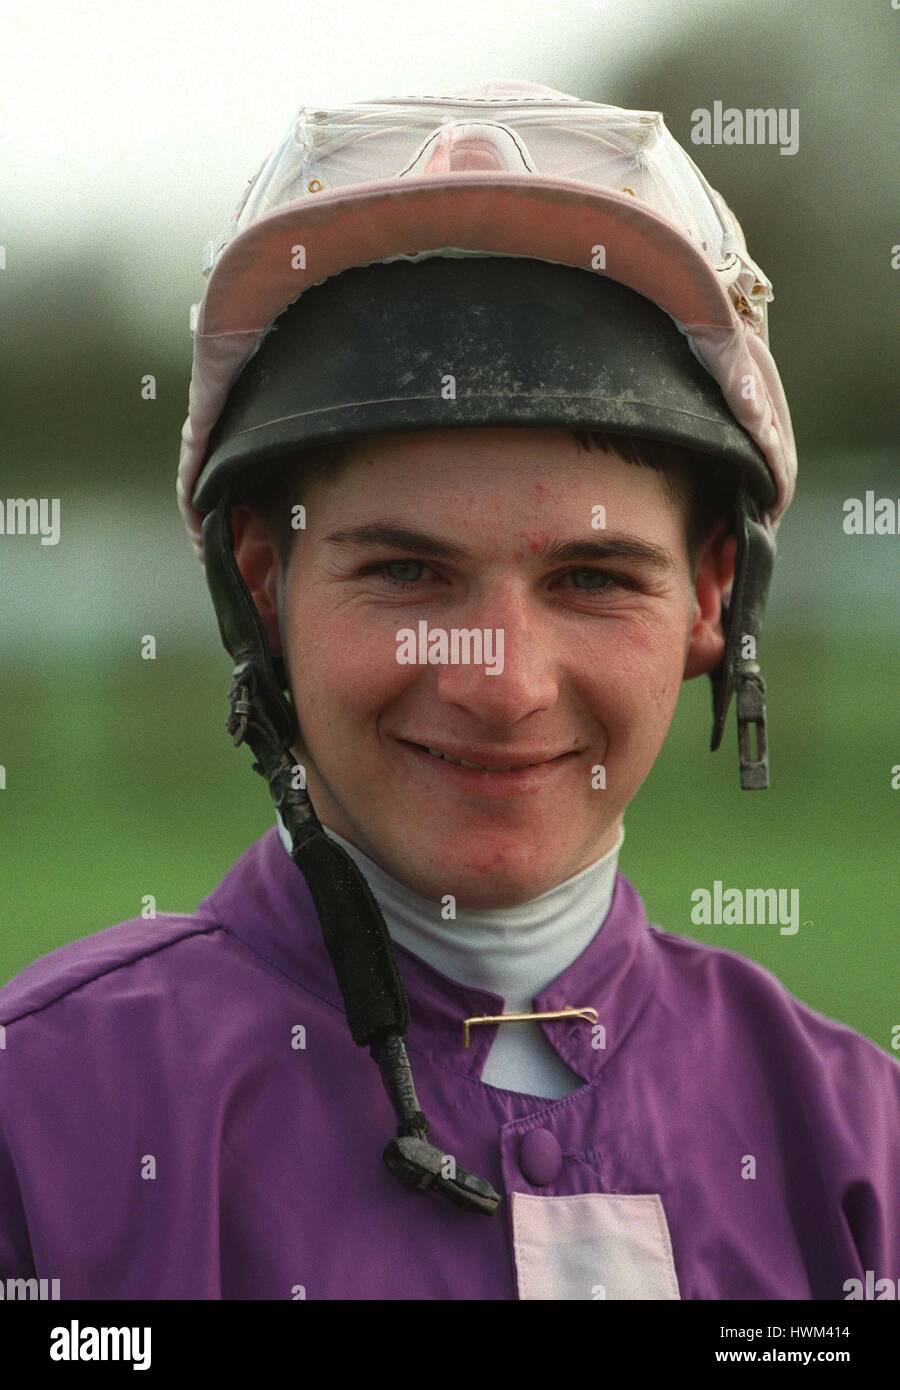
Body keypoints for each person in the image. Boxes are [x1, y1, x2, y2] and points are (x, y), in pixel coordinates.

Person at [0, 81, 897, 1301]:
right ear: (264, 589)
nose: (504, 684)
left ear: (711, 599)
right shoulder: (39, 1120)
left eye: (589, 576)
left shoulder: (863, 1150)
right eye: (408, 570)